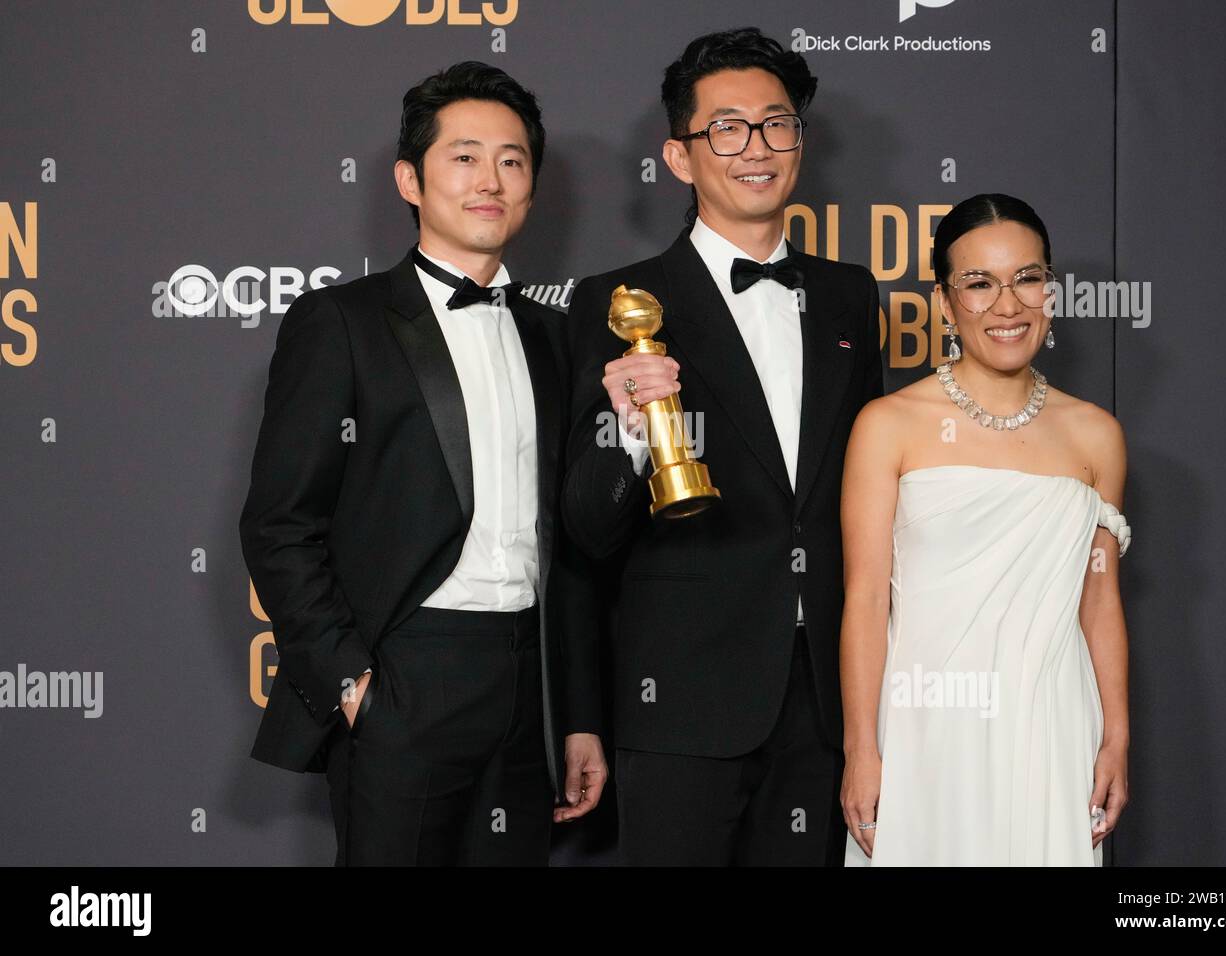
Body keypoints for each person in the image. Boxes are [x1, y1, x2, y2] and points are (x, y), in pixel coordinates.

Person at [240, 61, 607, 866]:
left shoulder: (553, 337)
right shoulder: (340, 322)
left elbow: (570, 545)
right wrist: (356, 688)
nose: (491, 180)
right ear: (411, 179)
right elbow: (279, 524)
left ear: (533, 188)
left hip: (526, 681)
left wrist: (575, 714)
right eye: (464, 156)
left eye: (512, 161)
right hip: (406, 674)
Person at [563, 27, 884, 865]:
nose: (757, 148)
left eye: (778, 125)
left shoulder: (851, 297)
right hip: (679, 698)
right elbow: (586, 530)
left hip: (827, 699)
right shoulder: (615, 303)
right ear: (679, 156)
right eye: (728, 128)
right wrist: (631, 433)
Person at [840, 193, 1131, 866]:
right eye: (979, 283)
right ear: (946, 302)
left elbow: (1100, 597)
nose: (1008, 306)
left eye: (1027, 278)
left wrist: (1115, 736)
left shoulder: (1096, 435)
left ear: (1050, 292)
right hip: (925, 727)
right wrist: (863, 747)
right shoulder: (889, 424)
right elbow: (864, 598)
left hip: (1053, 725)